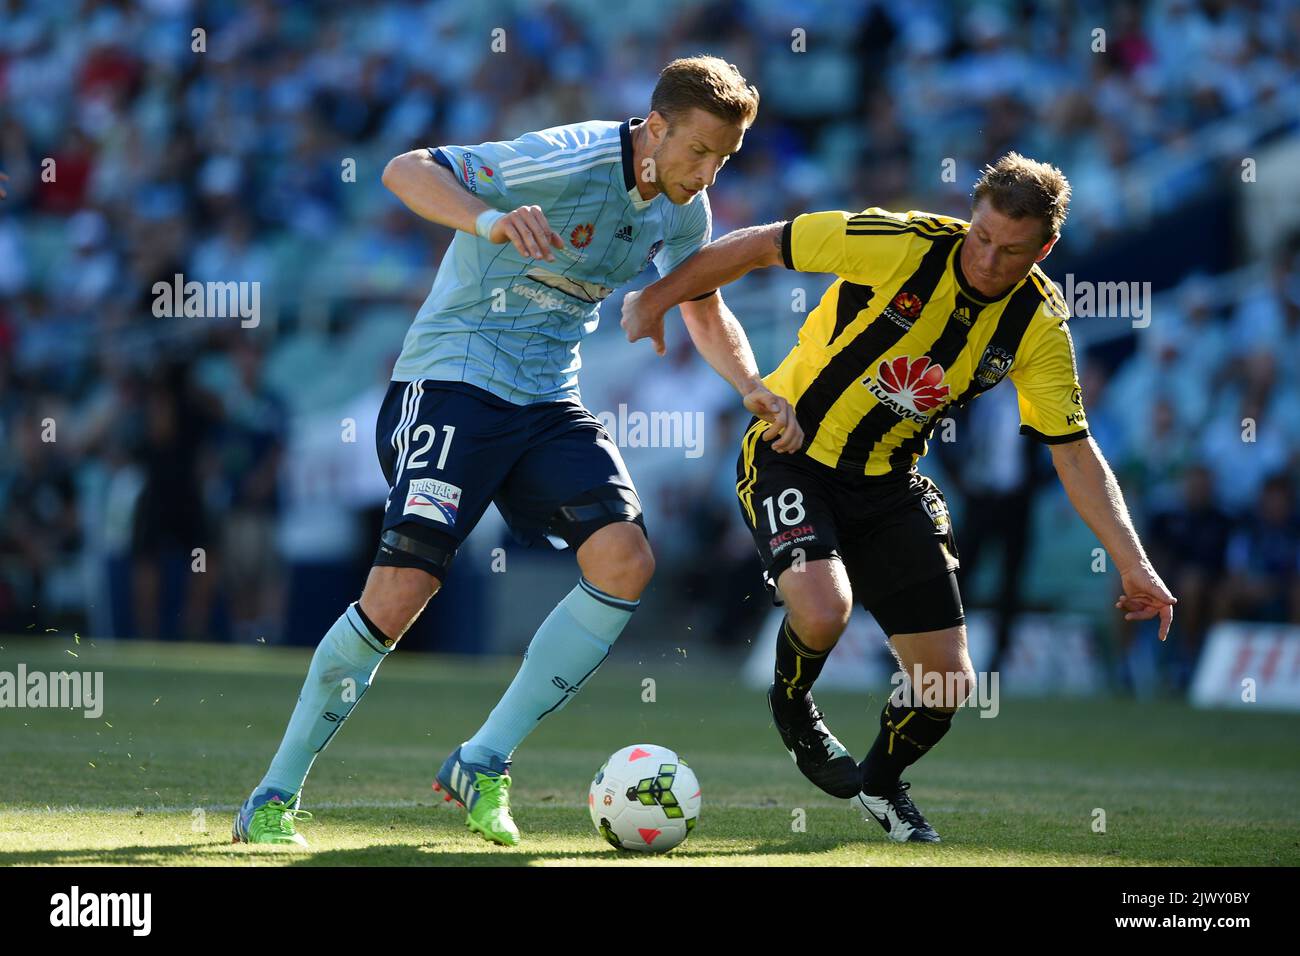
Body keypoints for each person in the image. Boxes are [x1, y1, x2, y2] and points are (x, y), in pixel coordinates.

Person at [234, 56, 802, 847]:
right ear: (656, 126)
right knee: (401, 593)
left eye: (724, 161)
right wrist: (490, 220)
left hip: (545, 401)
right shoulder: (566, 158)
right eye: (699, 152)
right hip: (451, 382)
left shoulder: (682, 213)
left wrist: (751, 385)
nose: (708, 175)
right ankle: (274, 794)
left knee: (624, 561)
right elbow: (406, 170)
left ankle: (483, 760)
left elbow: (701, 306)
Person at [622, 152, 1176, 843]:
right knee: (824, 611)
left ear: (1046, 248)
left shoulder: (1037, 324)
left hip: (889, 486)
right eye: (980, 238)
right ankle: (793, 706)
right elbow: (764, 243)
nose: (987, 260)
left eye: (1010, 251)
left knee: (948, 685)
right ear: (968, 221)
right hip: (793, 456)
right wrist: (657, 296)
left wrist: (1133, 563)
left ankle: (881, 785)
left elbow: (1072, 448)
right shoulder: (900, 242)